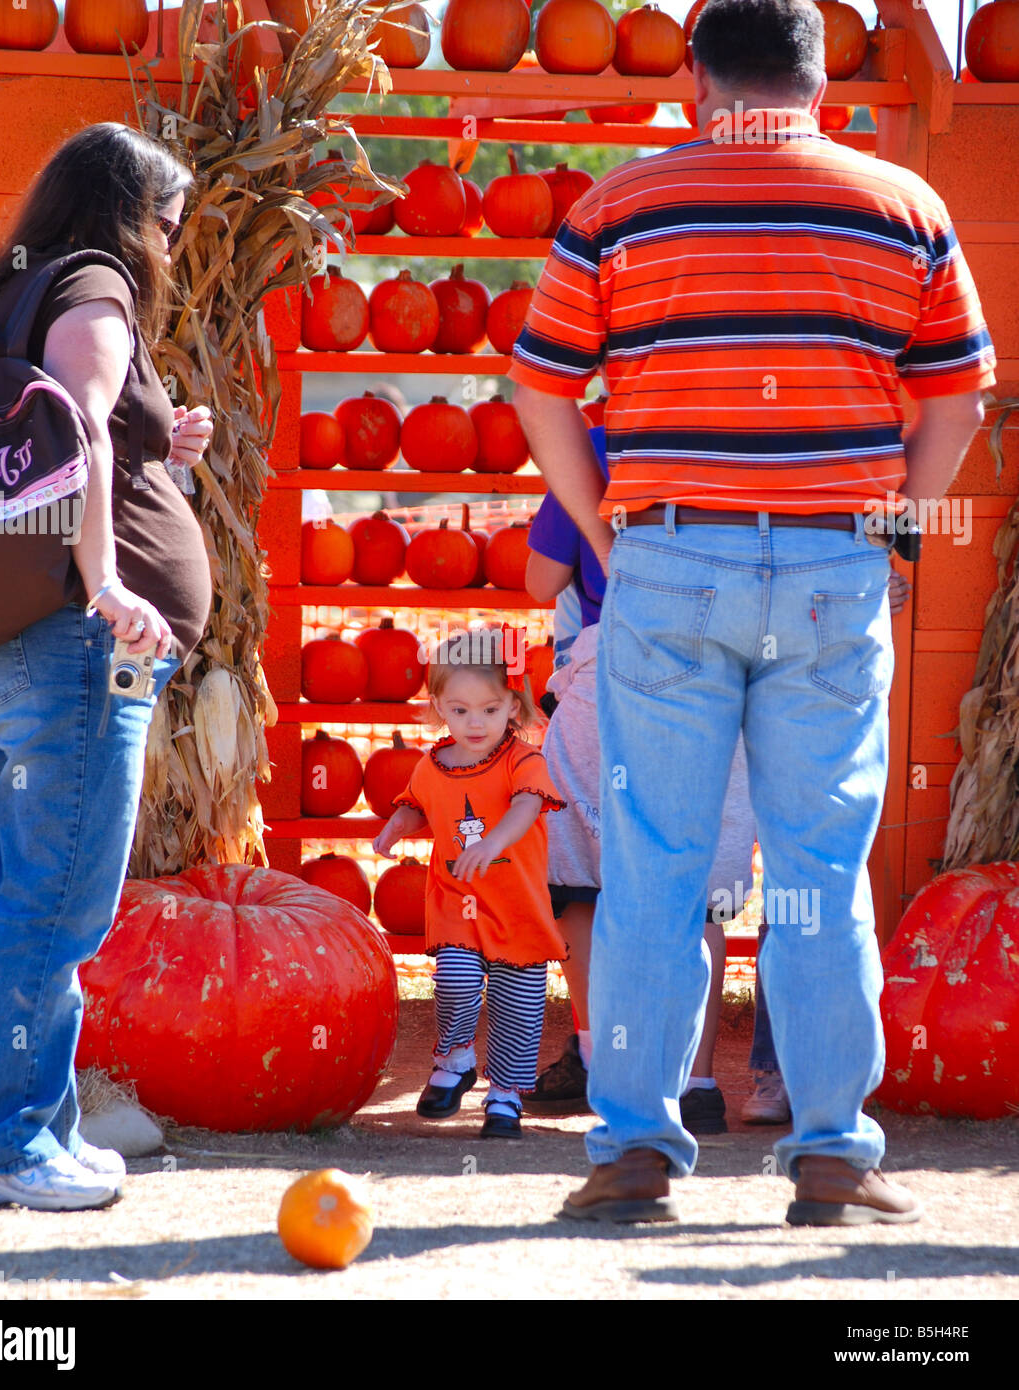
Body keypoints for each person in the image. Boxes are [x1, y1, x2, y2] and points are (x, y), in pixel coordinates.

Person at [510, 0, 994, 1226]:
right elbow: (960, 394)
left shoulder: (619, 205)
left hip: (669, 559)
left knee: (655, 870)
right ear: (821, 82)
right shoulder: (903, 206)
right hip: (836, 567)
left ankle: (631, 1153)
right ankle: (833, 1154)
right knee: (820, 870)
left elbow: (542, 383)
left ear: (693, 80)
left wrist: (600, 521)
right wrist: (894, 522)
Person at [0, 123, 214, 1211]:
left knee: (37, 895)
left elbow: (89, 429)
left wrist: (167, 441)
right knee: (59, 909)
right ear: (130, 212)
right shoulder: (99, 288)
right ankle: (2, 1147)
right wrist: (106, 583)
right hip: (72, 648)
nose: (173, 242)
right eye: (169, 220)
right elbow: (85, 434)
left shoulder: (16, 287)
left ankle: (38, 1124)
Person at [523, 423, 753, 1136]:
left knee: (582, 877)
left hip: (613, 666)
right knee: (701, 891)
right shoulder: (752, 441)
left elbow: (538, 582)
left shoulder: (590, 447)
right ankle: (696, 1081)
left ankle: (600, 1055)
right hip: (727, 672)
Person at [372, 628, 567, 1139]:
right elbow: (418, 807)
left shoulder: (523, 760)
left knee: (517, 1006)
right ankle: (455, 1058)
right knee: (457, 982)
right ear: (438, 705)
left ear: (513, 705)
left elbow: (528, 804)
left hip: (518, 907)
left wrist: (493, 842)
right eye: (459, 711)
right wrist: (396, 827)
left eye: (489, 709)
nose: (474, 723)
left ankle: (505, 1095)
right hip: (458, 902)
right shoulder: (433, 764)